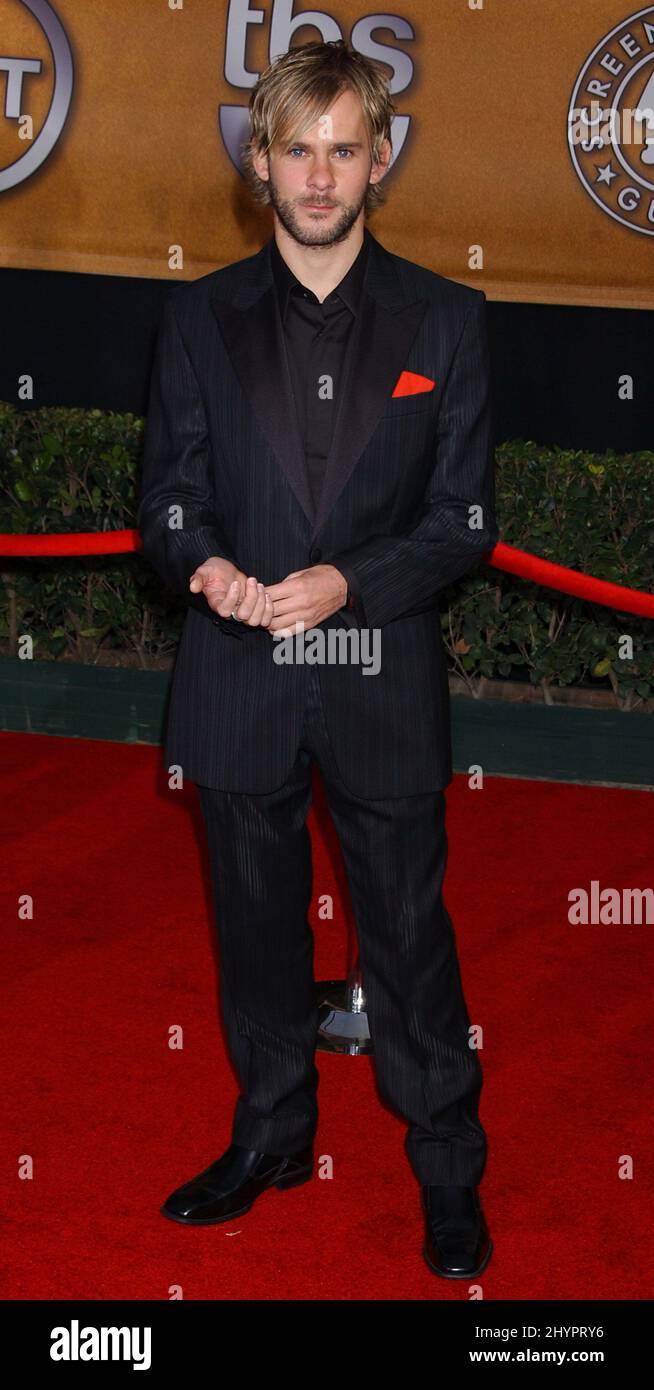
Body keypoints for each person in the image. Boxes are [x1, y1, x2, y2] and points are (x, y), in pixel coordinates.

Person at [137, 37, 499, 1280]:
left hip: (380, 673)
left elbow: (464, 522)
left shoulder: (447, 322)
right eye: (299, 147)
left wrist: (353, 581)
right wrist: (209, 570)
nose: (322, 172)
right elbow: (169, 502)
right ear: (262, 162)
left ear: (381, 161)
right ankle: (273, 1131)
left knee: (406, 929)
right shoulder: (197, 317)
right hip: (238, 673)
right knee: (255, 928)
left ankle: (448, 1161)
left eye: (347, 148)